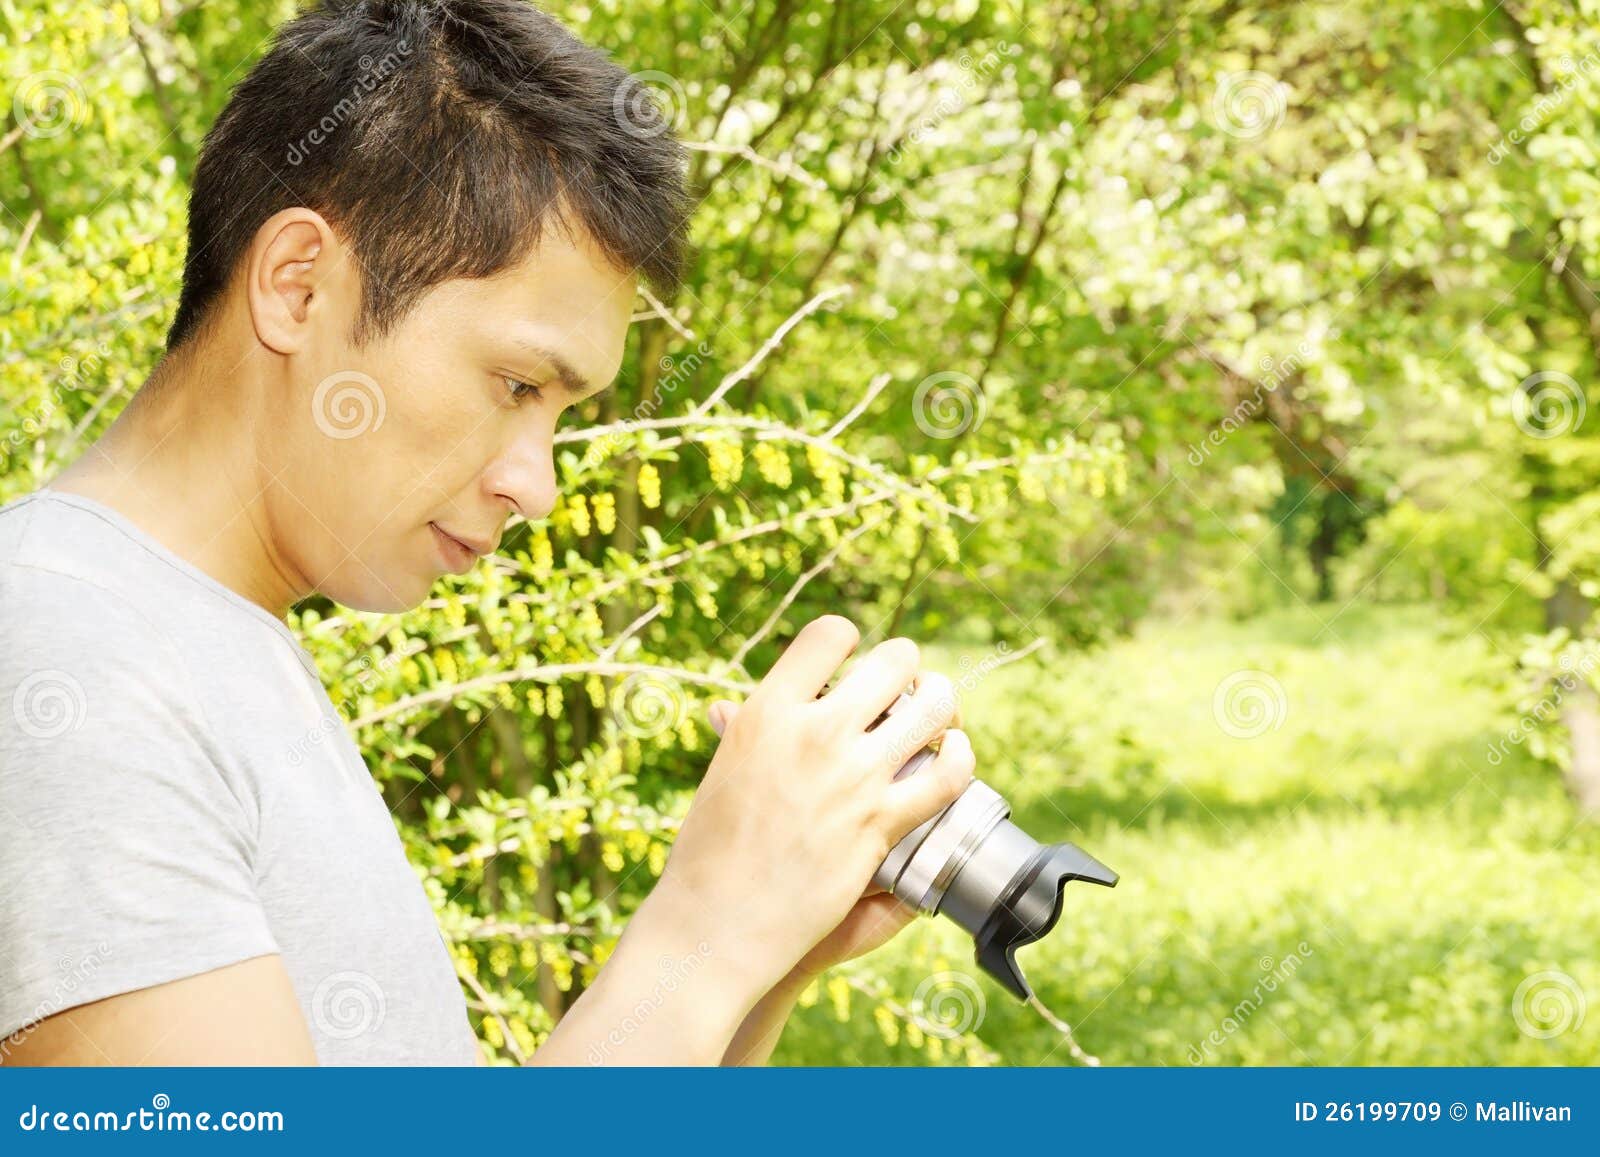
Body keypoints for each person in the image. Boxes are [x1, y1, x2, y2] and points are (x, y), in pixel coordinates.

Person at [0, 0, 973, 1065]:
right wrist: (707, 926)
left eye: (560, 412)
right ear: (299, 283)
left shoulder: (213, 642)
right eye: (515, 382)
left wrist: (757, 951)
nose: (537, 485)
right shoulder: (61, 649)